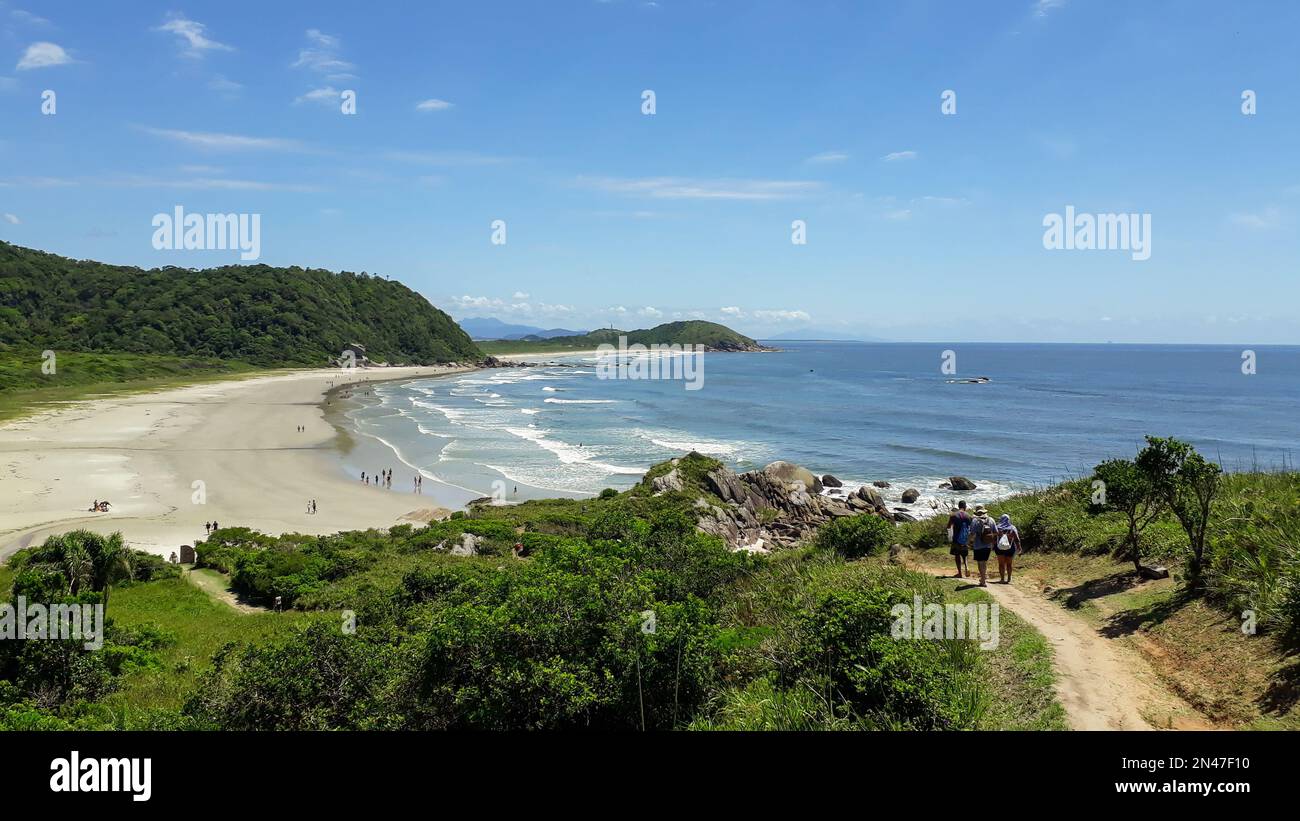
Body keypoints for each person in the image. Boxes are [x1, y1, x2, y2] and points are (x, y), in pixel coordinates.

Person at [970, 505, 999, 587]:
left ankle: (983, 580)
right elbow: (996, 532)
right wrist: (990, 538)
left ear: (976, 513)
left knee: (980, 562)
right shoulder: (991, 520)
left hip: (978, 545)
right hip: (988, 545)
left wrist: (970, 541)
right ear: (984, 512)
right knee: (984, 562)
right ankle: (983, 578)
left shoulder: (975, 521)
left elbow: (972, 533)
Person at [947, 501, 972, 578]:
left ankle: (960, 573)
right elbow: (971, 527)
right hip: (965, 539)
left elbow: (948, 526)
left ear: (958, 506)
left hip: (956, 538)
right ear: (965, 507)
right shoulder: (968, 516)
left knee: (957, 555)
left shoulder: (954, 515)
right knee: (965, 554)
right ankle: (967, 567)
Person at [995, 513, 1022, 584]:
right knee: (1009, 564)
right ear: (1008, 520)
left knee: (1001, 564)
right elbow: (1016, 539)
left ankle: (1002, 579)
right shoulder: (1012, 528)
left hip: (999, 548)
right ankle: (1009, 578)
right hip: (1010, 548)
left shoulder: (998, 527)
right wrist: (1019, 548)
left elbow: (994, 538)